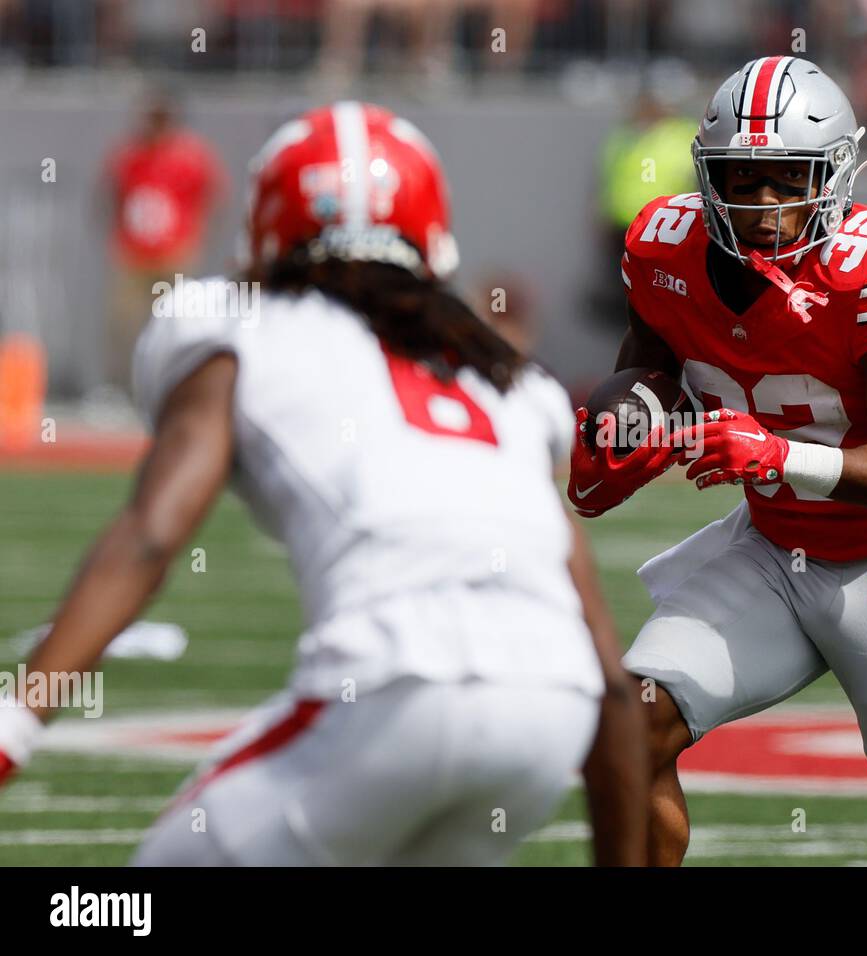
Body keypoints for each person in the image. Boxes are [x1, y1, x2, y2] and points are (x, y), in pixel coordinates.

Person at [0, 102, 647, 866]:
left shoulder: (234, 327)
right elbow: (609, 673)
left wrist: (15, 723)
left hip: (387, 692)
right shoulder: (505, 383)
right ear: (431, 239)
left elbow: (149, 536)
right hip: (548, 713)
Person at [568, 57, 867, 866]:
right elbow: (649, 373)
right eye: (741, 178)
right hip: (771, 550)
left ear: (834, 172)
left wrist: (774, 453)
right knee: (628, 729)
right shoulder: (665, 248)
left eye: (787, 179)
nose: (763, 206)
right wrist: (624, 430)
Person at [102, 95, 228, 391]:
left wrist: (194, 237)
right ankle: (122, 389)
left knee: (176, 323)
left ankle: (173, 386)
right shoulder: (129, 156)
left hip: (174, 254)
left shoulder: (191, 156)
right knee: (126, 324)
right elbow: (111, 194)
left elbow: (212, 196)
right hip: (134, 255)